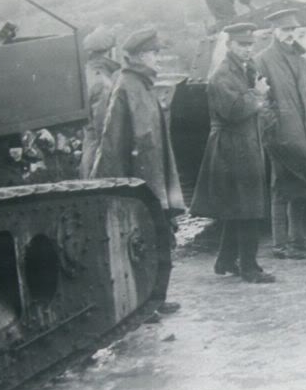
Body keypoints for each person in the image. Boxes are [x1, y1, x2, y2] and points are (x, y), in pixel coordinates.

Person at [93, 26, 186, 318]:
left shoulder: (143, 84)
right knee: (141, 244)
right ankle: (144, 305)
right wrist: (116, 187)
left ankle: (157, 299)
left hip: (154, 178)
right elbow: (112, 142)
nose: (158, 58)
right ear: (138, 56)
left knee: (160, 238)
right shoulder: (127, 86)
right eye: (154, 53)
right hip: (139, 182)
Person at [189, 23, 275, 284]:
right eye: (242, 44)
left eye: (250, 45)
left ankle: (225, 260)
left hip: (245, 143)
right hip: (232, 146)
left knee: (238, 205)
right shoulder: (223, 74)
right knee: (247, 206)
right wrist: (258, 95)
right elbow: (235, 111)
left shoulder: (246, 70)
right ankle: (248, 267)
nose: (248, 49)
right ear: (230, 45)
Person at [254, 8, 306, 260]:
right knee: (281, 187)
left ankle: (296, 238)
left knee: (301, 183)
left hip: (304, 130)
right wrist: (273, 129)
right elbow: (261, 99)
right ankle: (279, 244)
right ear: (274, 32)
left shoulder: (298, 57)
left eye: (292, 30)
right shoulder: (263, 59)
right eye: (285, 30)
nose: (290, 34)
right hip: (282, 133)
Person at [80, 26, 120, 180]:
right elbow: (104, 129)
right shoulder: (102, 81)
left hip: (88, 146)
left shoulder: (86, 74)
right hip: (98, 152)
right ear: (110, 52)